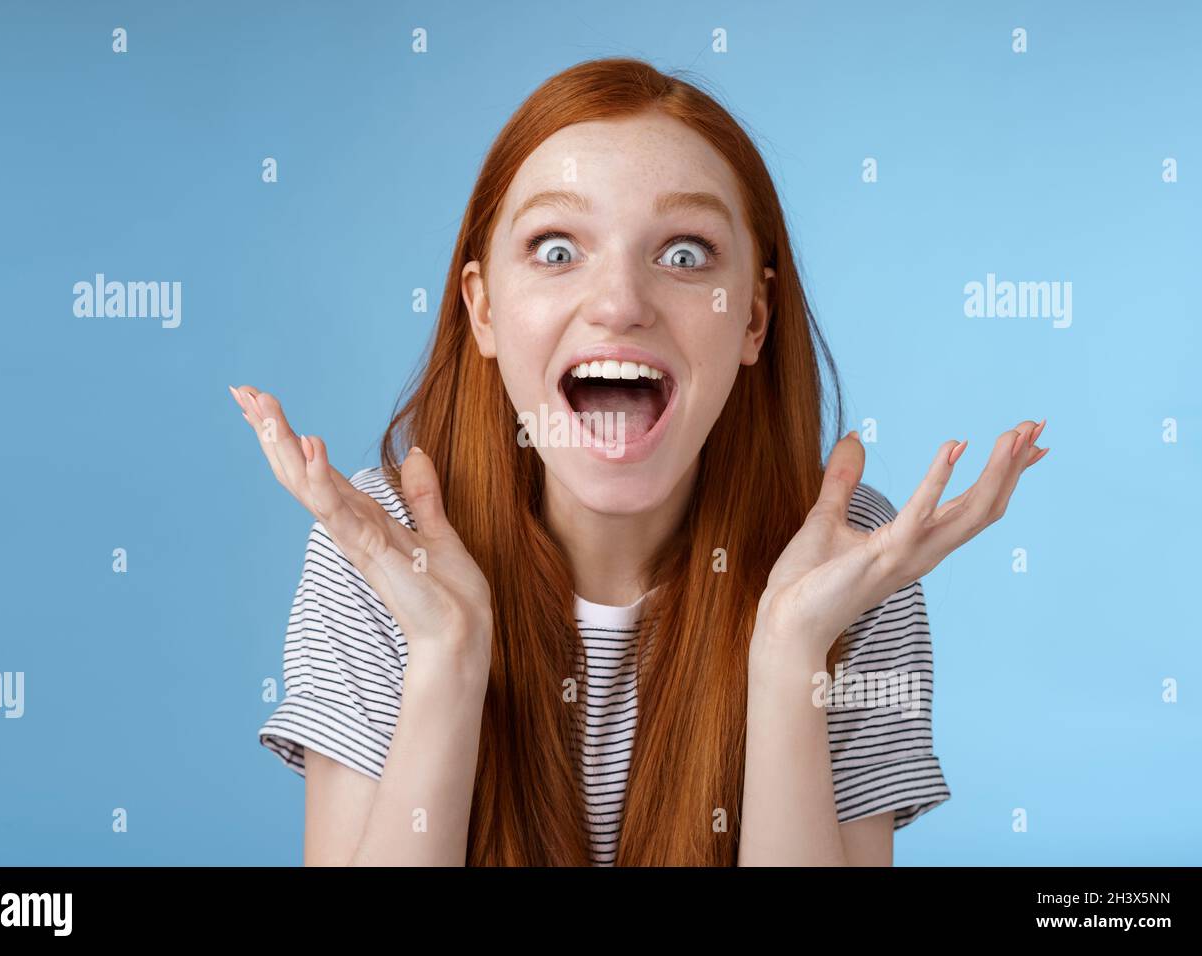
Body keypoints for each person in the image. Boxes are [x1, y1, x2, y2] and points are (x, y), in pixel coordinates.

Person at [231, 56, 1049, 866]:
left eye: (685, 255)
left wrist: (790, 650)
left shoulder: (853, 559)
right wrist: (446, 658)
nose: (621, 302)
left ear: (753, 321)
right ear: (483, 311)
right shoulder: (383, 546)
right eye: (556, 250)